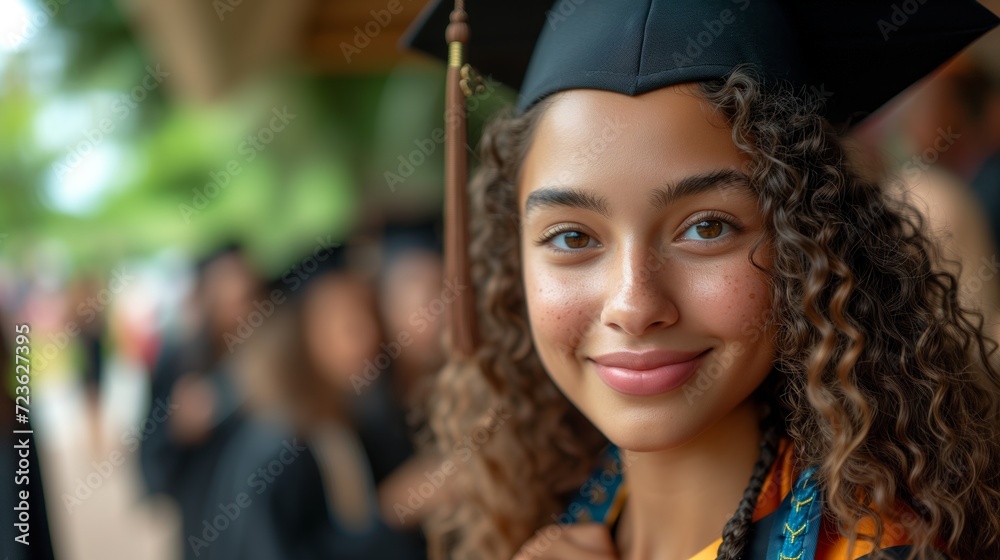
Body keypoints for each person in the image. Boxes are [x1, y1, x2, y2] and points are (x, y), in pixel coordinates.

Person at [404, 1, 1000, 559]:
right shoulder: (549, 517)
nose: (634, 305)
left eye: (708, 228)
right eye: (572, 238)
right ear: (514, 262)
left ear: (809, 243)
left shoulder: (887, 546)